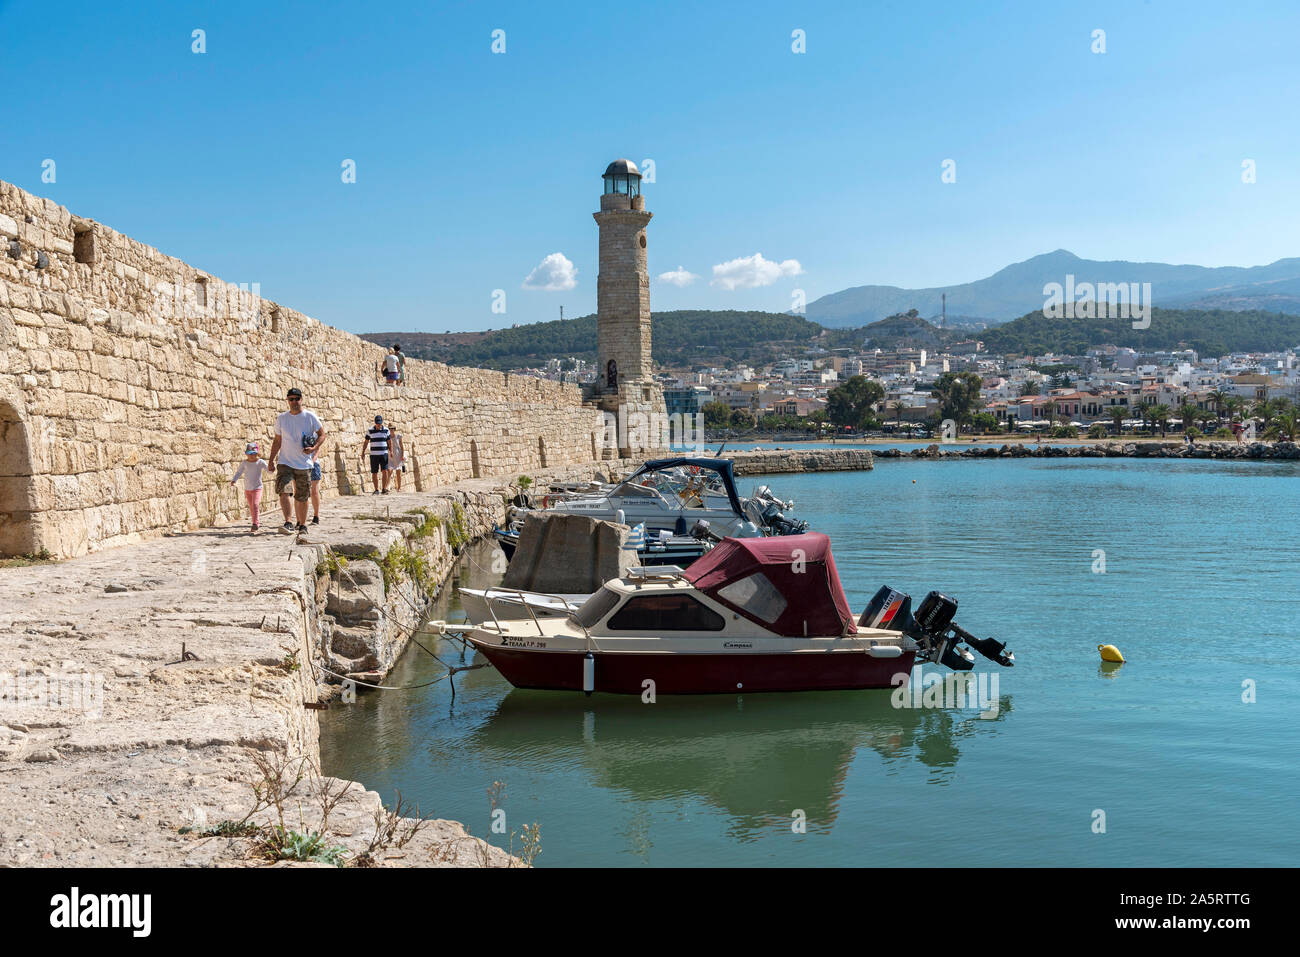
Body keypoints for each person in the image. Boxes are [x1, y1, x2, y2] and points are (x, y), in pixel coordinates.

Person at [268, 388, 326, 535]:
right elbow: (277, 440)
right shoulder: (282, 418)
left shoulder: (310, 417)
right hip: (285, 462)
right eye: (291, 399)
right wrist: (270, 460)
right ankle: (288, 522)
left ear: (301, 399)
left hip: (303, 464)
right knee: (284, 491)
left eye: (296, 399)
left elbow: (322, 435)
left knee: (302, 496)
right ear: (287, 400)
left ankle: (302, 524)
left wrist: (314, 447)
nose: (294, 402)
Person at [229, 442, 273, 533]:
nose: (252, 456)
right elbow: (239, 472)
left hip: (257, 488)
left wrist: (272, 470)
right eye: (250, 454)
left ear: (257, 454)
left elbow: (268, 471)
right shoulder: (244, 463)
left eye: (254, 454)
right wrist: (234, 480)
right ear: (246, 454)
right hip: (248, 489)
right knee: (251, 506)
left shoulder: (260, 462)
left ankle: (255, 523)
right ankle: (254, 523)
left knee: (255, 504)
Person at [361, 414, 392, 494]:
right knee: (374, 472)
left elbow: (389, 442)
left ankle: (384, 489)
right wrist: (363, 451)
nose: (378, 424)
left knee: (384, 471)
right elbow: (366, 442)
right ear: (375, 423)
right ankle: (376, 489)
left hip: (384, 454)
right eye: (377, 423)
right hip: (374, 454)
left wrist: (391, 451)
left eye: (380, 423)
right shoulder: (370, 430)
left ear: (382, 422)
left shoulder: (386, 430)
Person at [303, 424, 326, 524]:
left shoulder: (316, 434)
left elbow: (317, 449)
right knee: (300, 493)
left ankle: (316, 515)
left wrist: (312, 461)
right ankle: (300, 519)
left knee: (314, 491)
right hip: (300, 464)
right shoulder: (300, 431)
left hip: (313, 464)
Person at [388, 425, 405, 491]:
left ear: (394, 429)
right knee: (389, 470)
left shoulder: (398, 436)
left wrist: (402, 455)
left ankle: (399, 487)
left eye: (392, 428)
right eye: (390, 429)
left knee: (398, 471)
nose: (391, 430)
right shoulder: (388, 437)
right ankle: (388, 486)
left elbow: (401, 446)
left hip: (398, 454)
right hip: (391, 455)